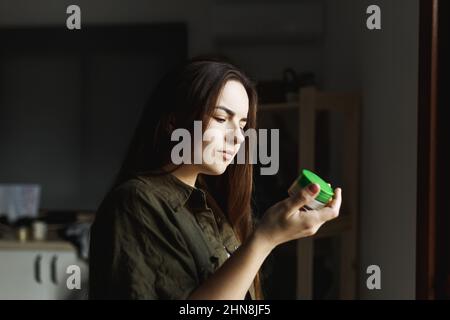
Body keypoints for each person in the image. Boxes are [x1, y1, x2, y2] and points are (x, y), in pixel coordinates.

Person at [88, 56, 342, 300]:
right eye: (221, 119)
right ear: (172, 122)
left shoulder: (211, 206)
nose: (239, 137)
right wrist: (265, 239)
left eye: (243, 125)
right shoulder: (136, 202)